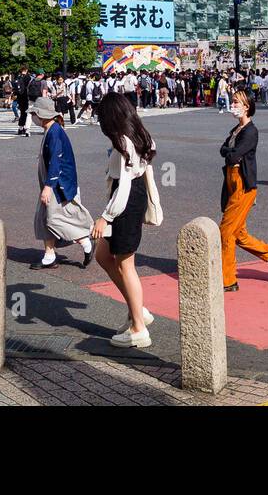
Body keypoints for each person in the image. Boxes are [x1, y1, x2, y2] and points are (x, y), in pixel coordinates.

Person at [91, 93, 157, 347]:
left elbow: (124, 187)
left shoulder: (122, 142)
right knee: (103, 256)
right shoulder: (140, 134)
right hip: (131, 197)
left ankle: (139, 328)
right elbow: (152, 150)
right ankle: (137, 309)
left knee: (126, 264)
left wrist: (105, 218)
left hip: (125, 202)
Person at [219, 88, 268, 292]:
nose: (233, 105)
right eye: (234, 101)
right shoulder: (236, 129)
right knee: (238, 233)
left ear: (247, 107)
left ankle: (228, 280)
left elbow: (232, 155)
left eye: (237, 102)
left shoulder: (250, 131)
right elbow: (223, 150)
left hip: (242, 183)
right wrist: (230, 153)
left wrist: (230, 153)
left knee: (226, 232)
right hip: (231, 180)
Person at [30, 96, 94, 269]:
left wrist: (48, 186)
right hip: (53, 184)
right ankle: (49, 255)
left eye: (34, 113)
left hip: (58, 186)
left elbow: (56, 161)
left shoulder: (55, 132)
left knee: (54, 219)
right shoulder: (51, 130)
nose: (33, 117)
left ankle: (85, 242)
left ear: (41, 115)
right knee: (44, 218)